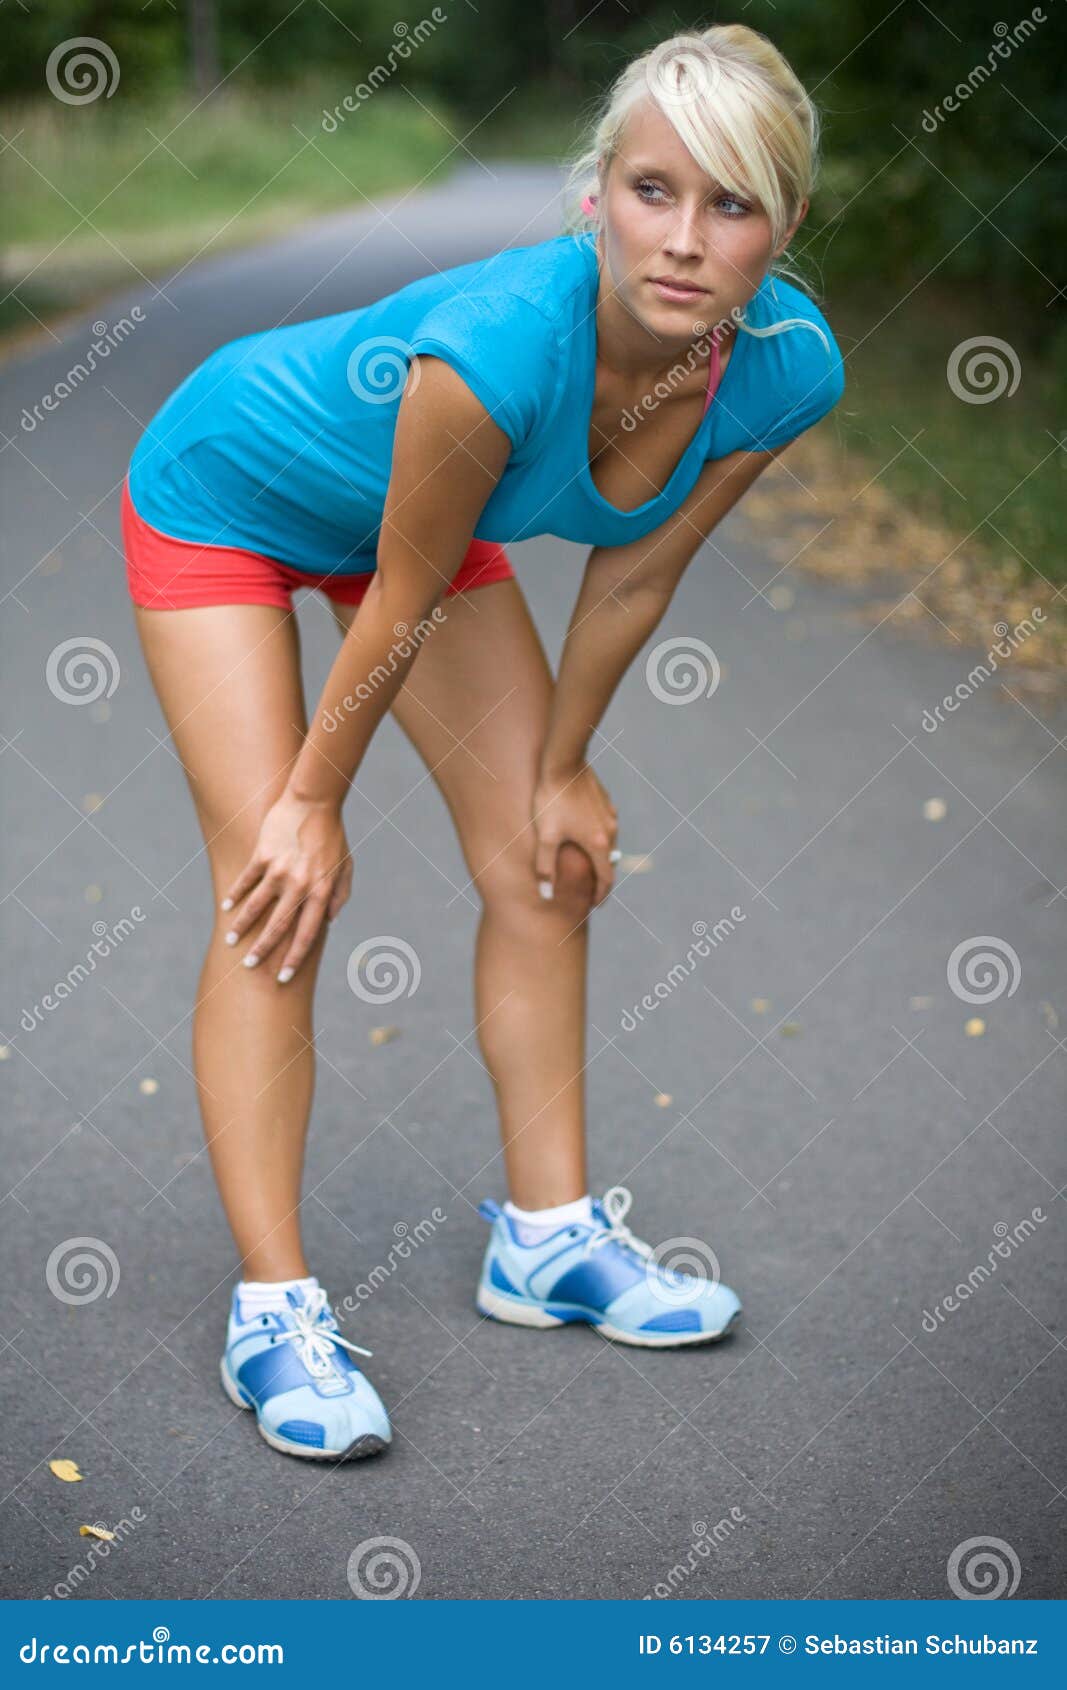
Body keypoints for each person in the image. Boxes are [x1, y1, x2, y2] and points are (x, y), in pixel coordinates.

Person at [122, 23, 845, 1463]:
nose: (686, 239)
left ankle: (547, 1238)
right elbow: (396, 594)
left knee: (544, 855)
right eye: (653, 189)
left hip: (414, 543)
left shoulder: (784, 367)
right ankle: (273, 1309)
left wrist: (566, 763)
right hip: (234, 487)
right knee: (276, 893)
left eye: (733, 201)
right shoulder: (504, 344)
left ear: (789, 222)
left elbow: (636, 573)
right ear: (595, 195)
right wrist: (314, 799)